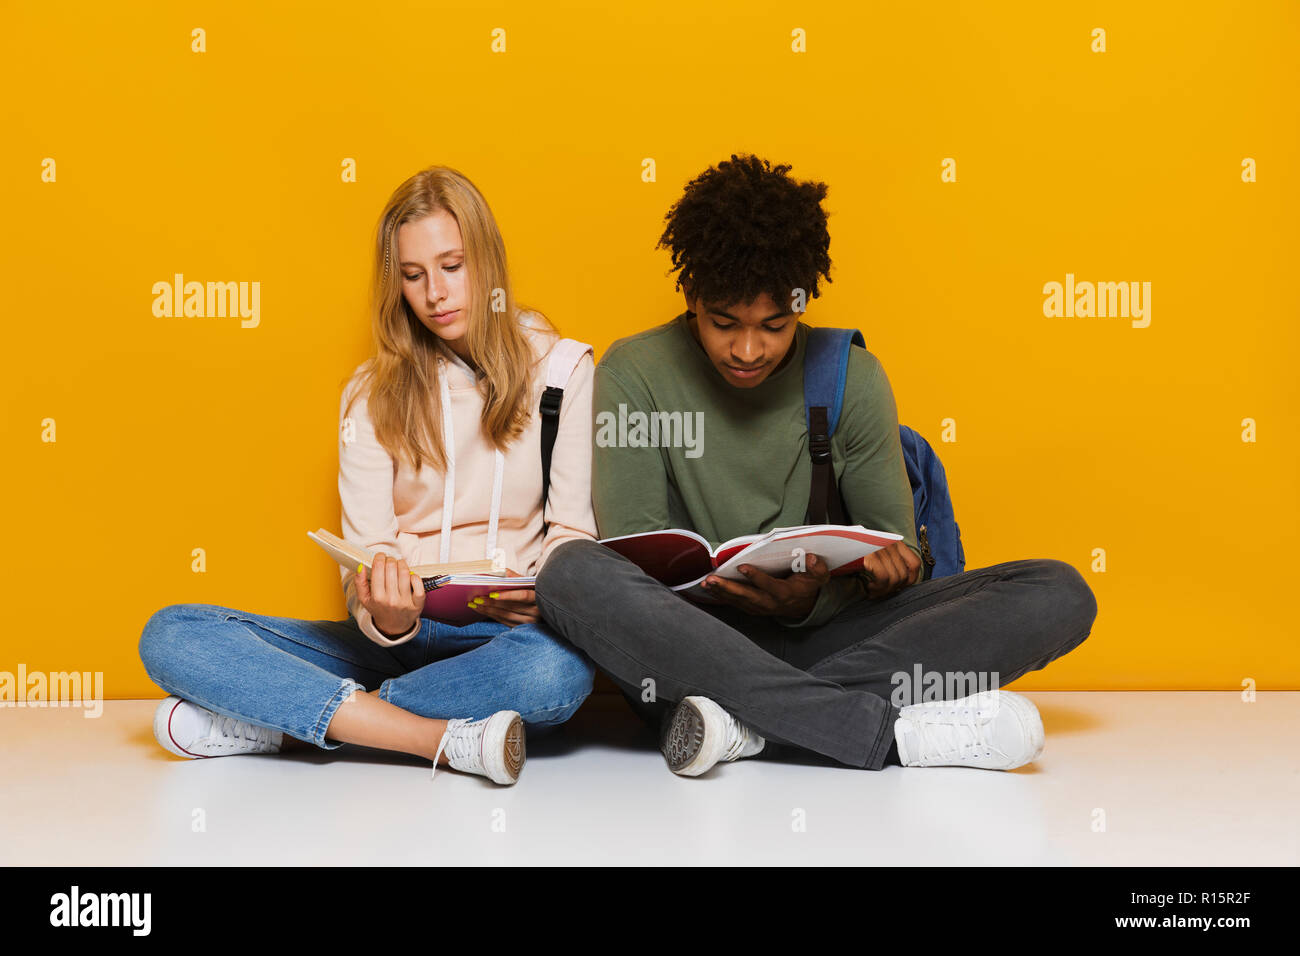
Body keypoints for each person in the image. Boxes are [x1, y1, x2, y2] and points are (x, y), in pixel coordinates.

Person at [534, 153, 1098, 776]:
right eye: (724, 324)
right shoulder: (633, 372)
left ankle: (741, 723)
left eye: (774, 326)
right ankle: (885, 737)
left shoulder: (850, 376)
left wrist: (816, 599)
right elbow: (635, 559)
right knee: (570, 572)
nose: (748, 350)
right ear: (691, 294)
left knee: (1058, 591)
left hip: (824, 642)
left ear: (803, 303)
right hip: (689, 644)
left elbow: (900, 555)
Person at [138, 165, 597, 785]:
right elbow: (367, 555)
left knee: (558, 674)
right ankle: (433, 737)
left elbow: (573, 532)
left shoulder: (563, 371)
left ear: (487, 260)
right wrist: (389, 615)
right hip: (392, 644)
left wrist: (544, 591)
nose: (435, 293)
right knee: (173, 634)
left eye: (452, 265)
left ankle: (292, 723)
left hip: (501, 646)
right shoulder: (370, 394)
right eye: (413, 276)